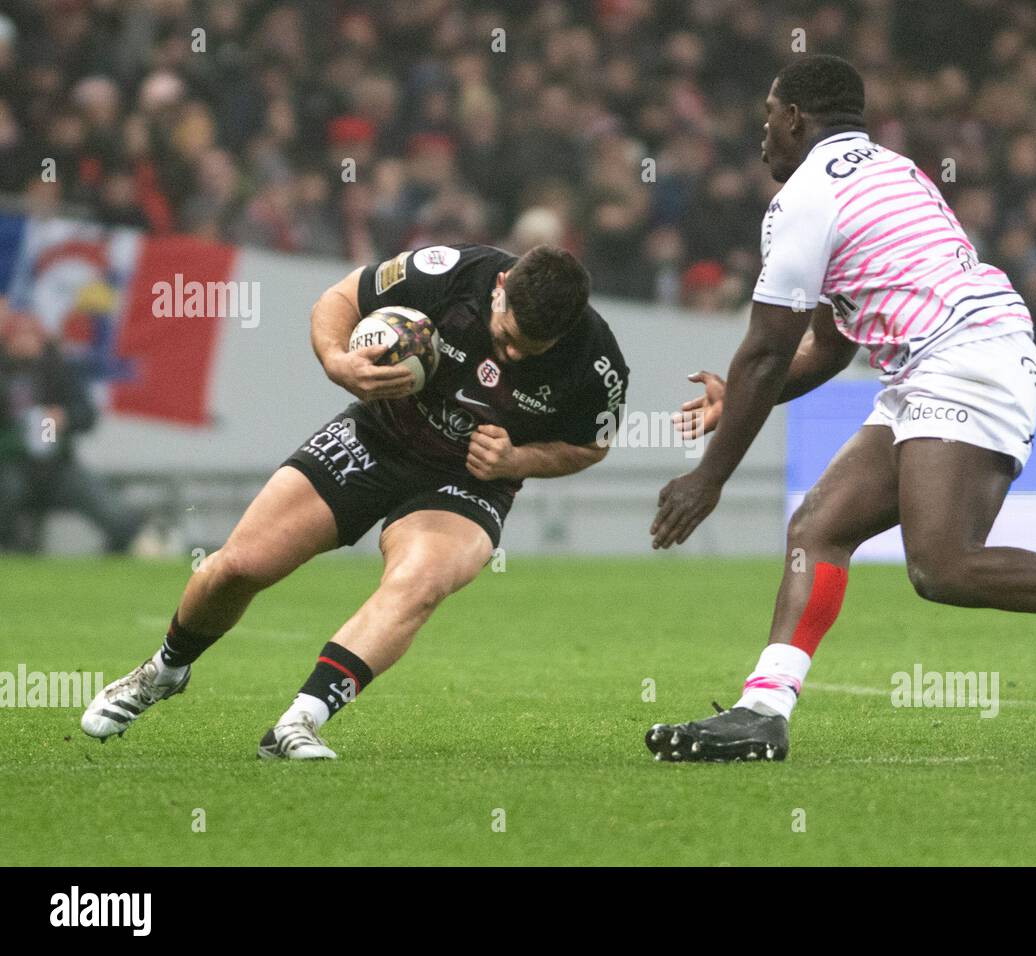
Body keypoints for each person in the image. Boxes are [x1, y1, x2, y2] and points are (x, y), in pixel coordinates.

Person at [646, 56, 1036, 762]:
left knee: (942, 566)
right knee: (819, 526)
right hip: (937, 363)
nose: (762, 134)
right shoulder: (889, 171)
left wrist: (709, 476)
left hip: (966, 355)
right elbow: (827, 348)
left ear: (795, 118)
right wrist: (739, 398)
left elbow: (768, 352)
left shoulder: (803, 202)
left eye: (769, 116)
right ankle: (764, 710)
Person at [81, 244, 629, 759]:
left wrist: (519, 462)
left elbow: (589, 445)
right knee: (239, 567)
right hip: (376, 436)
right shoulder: (450, 271)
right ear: (501, 287)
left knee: (420, 584)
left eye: (527, 351)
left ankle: (299, 722)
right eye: (505, 336)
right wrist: (337, 361)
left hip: (469, 480)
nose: (508, 355)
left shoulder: (597, 364)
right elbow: (340, 297)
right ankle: (164, 671)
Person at [0, 307, 142, 553]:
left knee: (117, 515)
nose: (24, 341)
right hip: (10, 466)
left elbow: (87, 415)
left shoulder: (58, 371)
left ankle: (113, 560)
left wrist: (64, 418)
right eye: (18, 334)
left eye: (30, 333)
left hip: (58, 467)